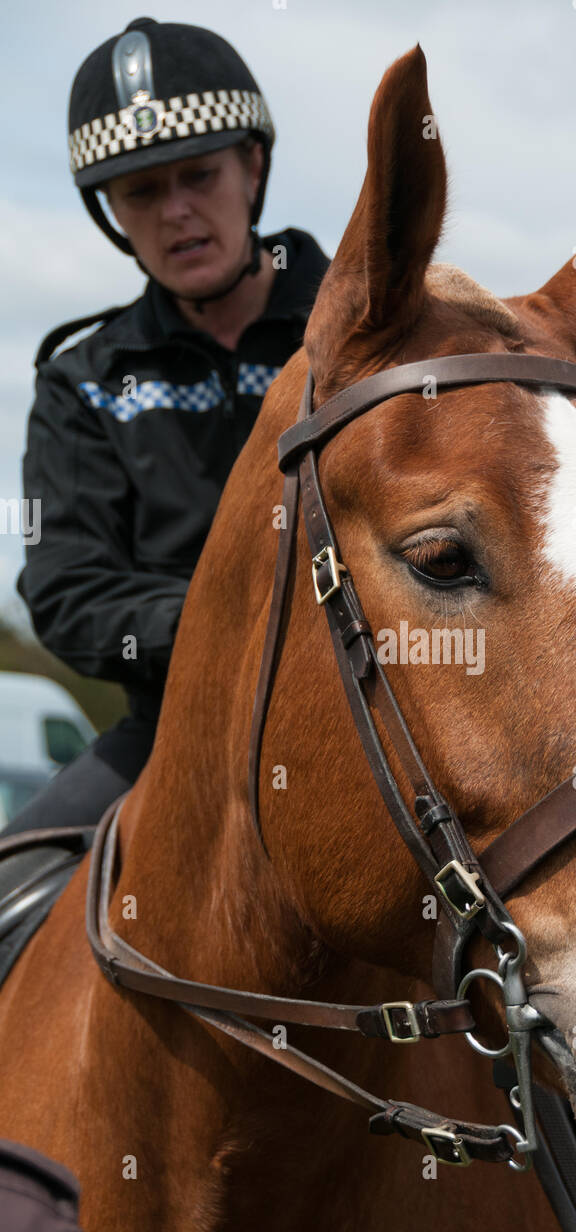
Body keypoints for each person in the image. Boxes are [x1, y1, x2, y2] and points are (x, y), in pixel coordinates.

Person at [4, 18, 329, 835]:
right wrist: (237, 623)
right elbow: (66, 591)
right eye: (142, 192)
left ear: (251, 167)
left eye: (198, 175)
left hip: (381, 712)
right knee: (10, 895)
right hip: (171, 729)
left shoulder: (356, 330)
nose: (177, 212)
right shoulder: (81, 380)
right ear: (109, 210)